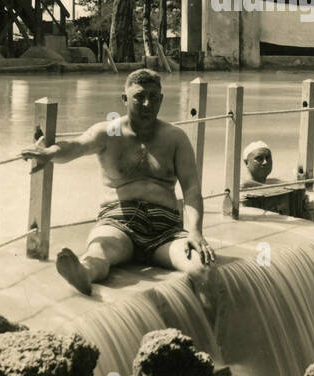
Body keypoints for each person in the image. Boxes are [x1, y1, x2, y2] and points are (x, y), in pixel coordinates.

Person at [19, 68, 214, 296]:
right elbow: (77, 146)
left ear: (161, 100)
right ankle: (83, 274)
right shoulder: (108, 132)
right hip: (119, 222)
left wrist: (195, 231)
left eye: (153, 97)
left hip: (166, 230)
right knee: (99, 252)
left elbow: (191, 189)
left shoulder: (175, 137)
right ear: (125, 99)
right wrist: (50, 153)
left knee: (202, 268)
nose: (147, 104)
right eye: (139, 97)